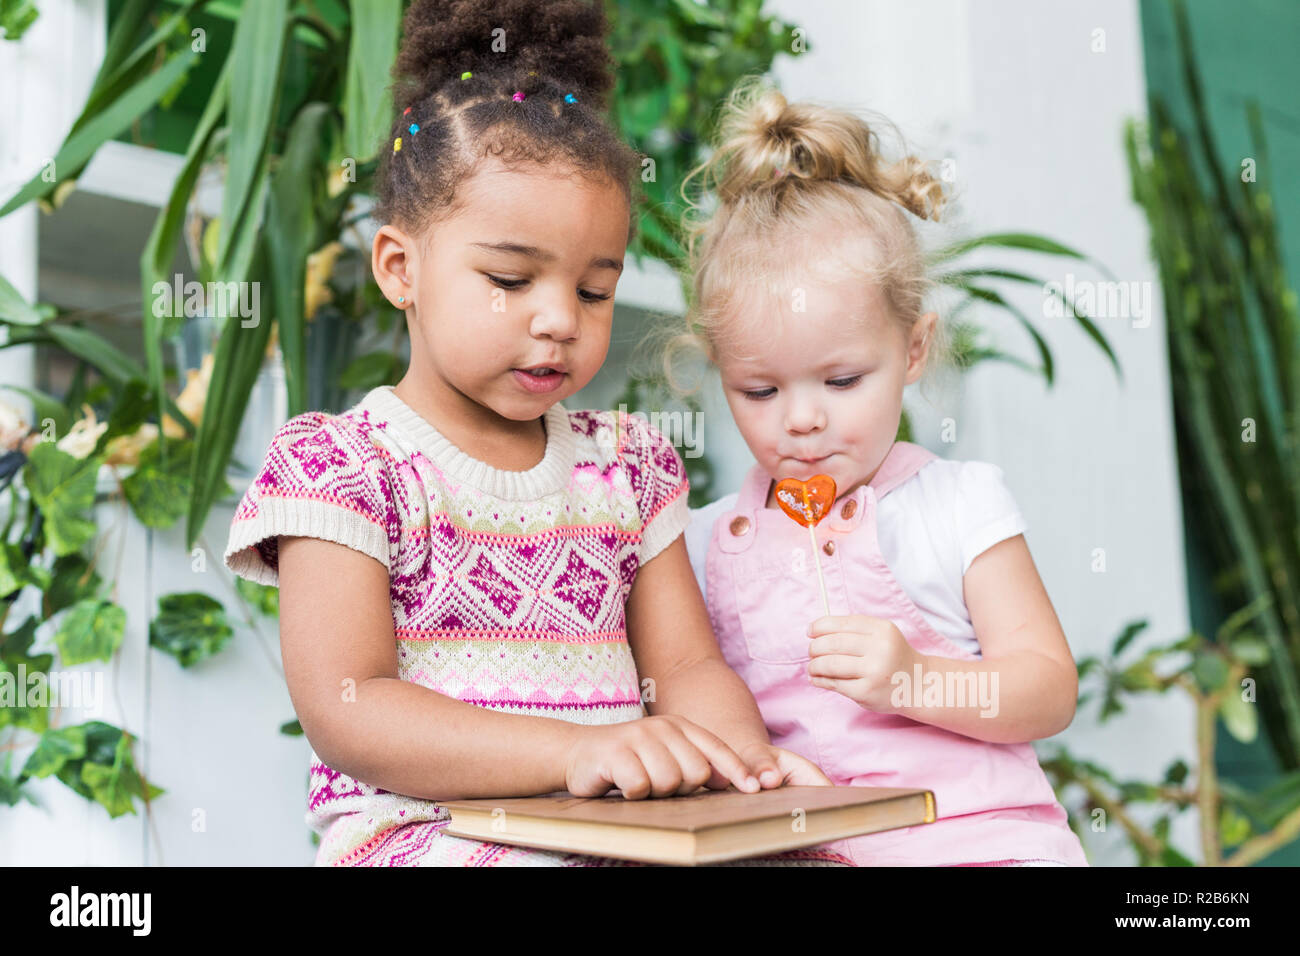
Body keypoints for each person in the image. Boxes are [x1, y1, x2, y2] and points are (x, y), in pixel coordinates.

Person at [223, 0, 847, 867]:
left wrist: (739, 767)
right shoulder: (341, 467)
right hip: (429, 834)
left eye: (594, 291)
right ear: (401, 267)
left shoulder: (627, 465)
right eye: (510, 280)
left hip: (621, 828)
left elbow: (688, 671)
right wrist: (575, 752)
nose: (559, 319)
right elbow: (349, 704)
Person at [674, 76, 1090, 866]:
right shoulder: (703, 543)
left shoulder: (959, 506)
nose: (802, 418)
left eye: (840, 382)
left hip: (986, 847)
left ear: (914, 349)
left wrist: (916, 682)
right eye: (759, 390)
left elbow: (1047, 689)